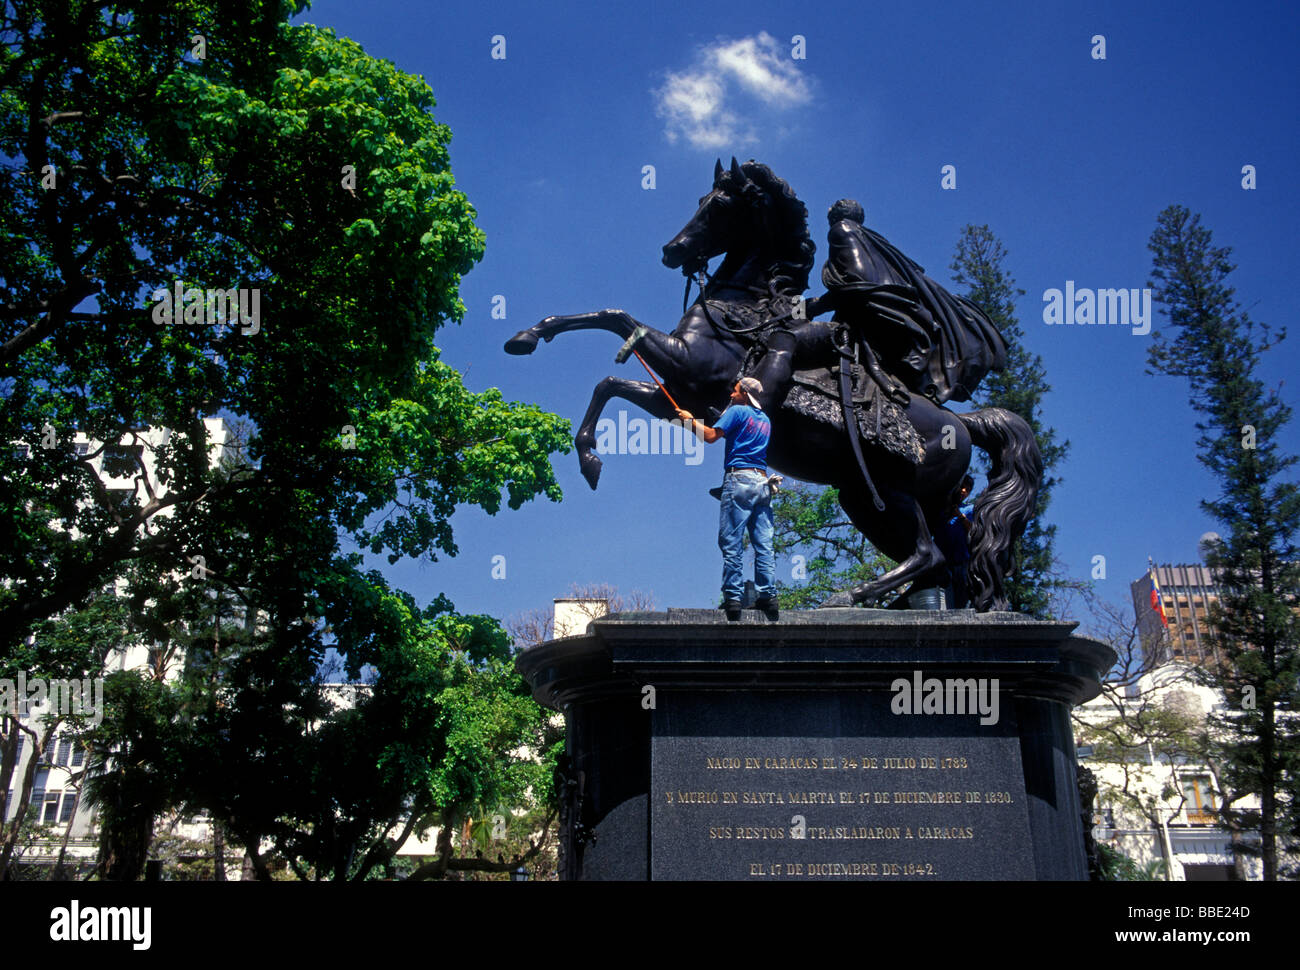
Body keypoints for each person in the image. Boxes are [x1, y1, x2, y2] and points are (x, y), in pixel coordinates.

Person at [676, 377, 778, 621]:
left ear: (744, 393)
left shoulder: (738, 412)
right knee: (763, 543)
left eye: (735, 391)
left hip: (739, 480)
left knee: (731, 541)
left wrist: (688, 421)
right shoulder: (765, 420)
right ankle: (768, 597)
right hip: (762, 483)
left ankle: (733, 598)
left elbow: (710, 436)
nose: (731, 395)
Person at [933, 474, 975, 608]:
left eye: (967, 490)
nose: (964, 491)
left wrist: (960, 516)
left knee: (962, 598)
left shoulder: (969, 509)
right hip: (941, 561)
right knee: (944, 599)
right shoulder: (942, 507)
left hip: (961, 560)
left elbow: (973, 530)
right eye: (962, 487)